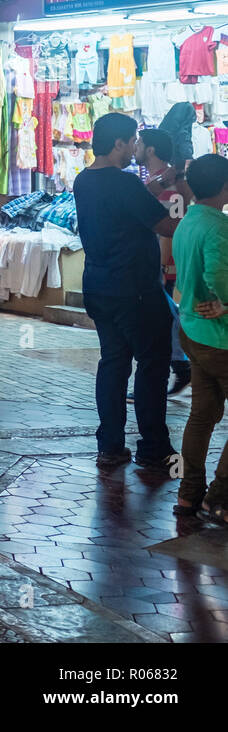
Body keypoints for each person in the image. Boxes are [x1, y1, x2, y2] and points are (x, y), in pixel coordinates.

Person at [75, 112, 180, 470]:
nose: (136, 146)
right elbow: (165, 225)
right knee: (152, 364)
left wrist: (151, 188)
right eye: (132, 140)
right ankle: (153, 447)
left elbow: (120, 207)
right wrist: (196, 209)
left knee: (114, 363)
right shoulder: (124, 183)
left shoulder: (84, 180)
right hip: (135, 289)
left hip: (100, 287)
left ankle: (110, 446)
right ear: (118, 142)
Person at [170, 154, 228, 522]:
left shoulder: (188, 221)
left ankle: (189, 494)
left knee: (202, 415)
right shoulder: (217, 226)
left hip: (191, 331)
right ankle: (219, 497)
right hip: (219, 339)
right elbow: (218, 276)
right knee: (202, 415)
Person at [138, 127, 193, 395]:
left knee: (163, 317)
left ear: (150, 150)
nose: (135, 147)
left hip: (163, 262)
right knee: (164, 317)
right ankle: (179, 367)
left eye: (139, 143)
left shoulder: (170, 182)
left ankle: (179, 367)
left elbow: (173, 226)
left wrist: (162, 266)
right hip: (157, 261)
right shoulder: (160, 179)